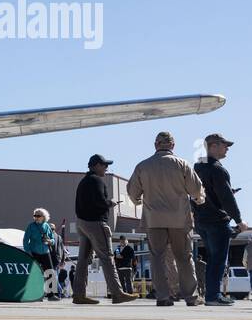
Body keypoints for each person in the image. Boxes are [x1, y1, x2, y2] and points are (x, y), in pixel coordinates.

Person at [127, 131, 206, 306]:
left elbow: (133, 192)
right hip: (179, 218)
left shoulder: (142, 166)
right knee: (184, 257)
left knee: (156, 257)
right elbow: (196, 190)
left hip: (154, 219)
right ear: (172, 145)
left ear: (156, 145)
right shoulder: (182, 164)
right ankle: (191, 297)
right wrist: (200, 199)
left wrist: (138, 200)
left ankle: (163, 296)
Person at [193, 133, 249, 306]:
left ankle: (211, 294)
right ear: (213, 146)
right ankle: (212, 296)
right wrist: (239, 220)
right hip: (217, 220)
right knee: (218, 260)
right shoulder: (218, 169)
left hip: (201, 220)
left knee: (212, 259)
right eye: (224, 145)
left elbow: (194, 193)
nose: (227, 149)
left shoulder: (197, 167)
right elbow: (226, 198)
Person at [72, 154, 136, 305]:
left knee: (83, 260)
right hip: (96, 223)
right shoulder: (96, 181)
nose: (106, 168)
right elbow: (100, 202)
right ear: (95, 165)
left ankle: (79, 294)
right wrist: (110, 203)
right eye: (104, 165)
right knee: (107, 258)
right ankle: (117, 293)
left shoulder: (83, 182)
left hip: (82, 223)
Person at [22, 208, 59, 302]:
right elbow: (25, 240)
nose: (36, 217)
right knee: (36, 274)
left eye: (38, 216)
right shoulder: (31, 226)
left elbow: (53, 240)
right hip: (34, 252)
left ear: (44, 217)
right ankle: (36, 295)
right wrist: (28, 252)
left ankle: (51, 295)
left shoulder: (47, 226)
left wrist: (49, 241)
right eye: (35, 216)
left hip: (46, 252)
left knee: (50, 273)